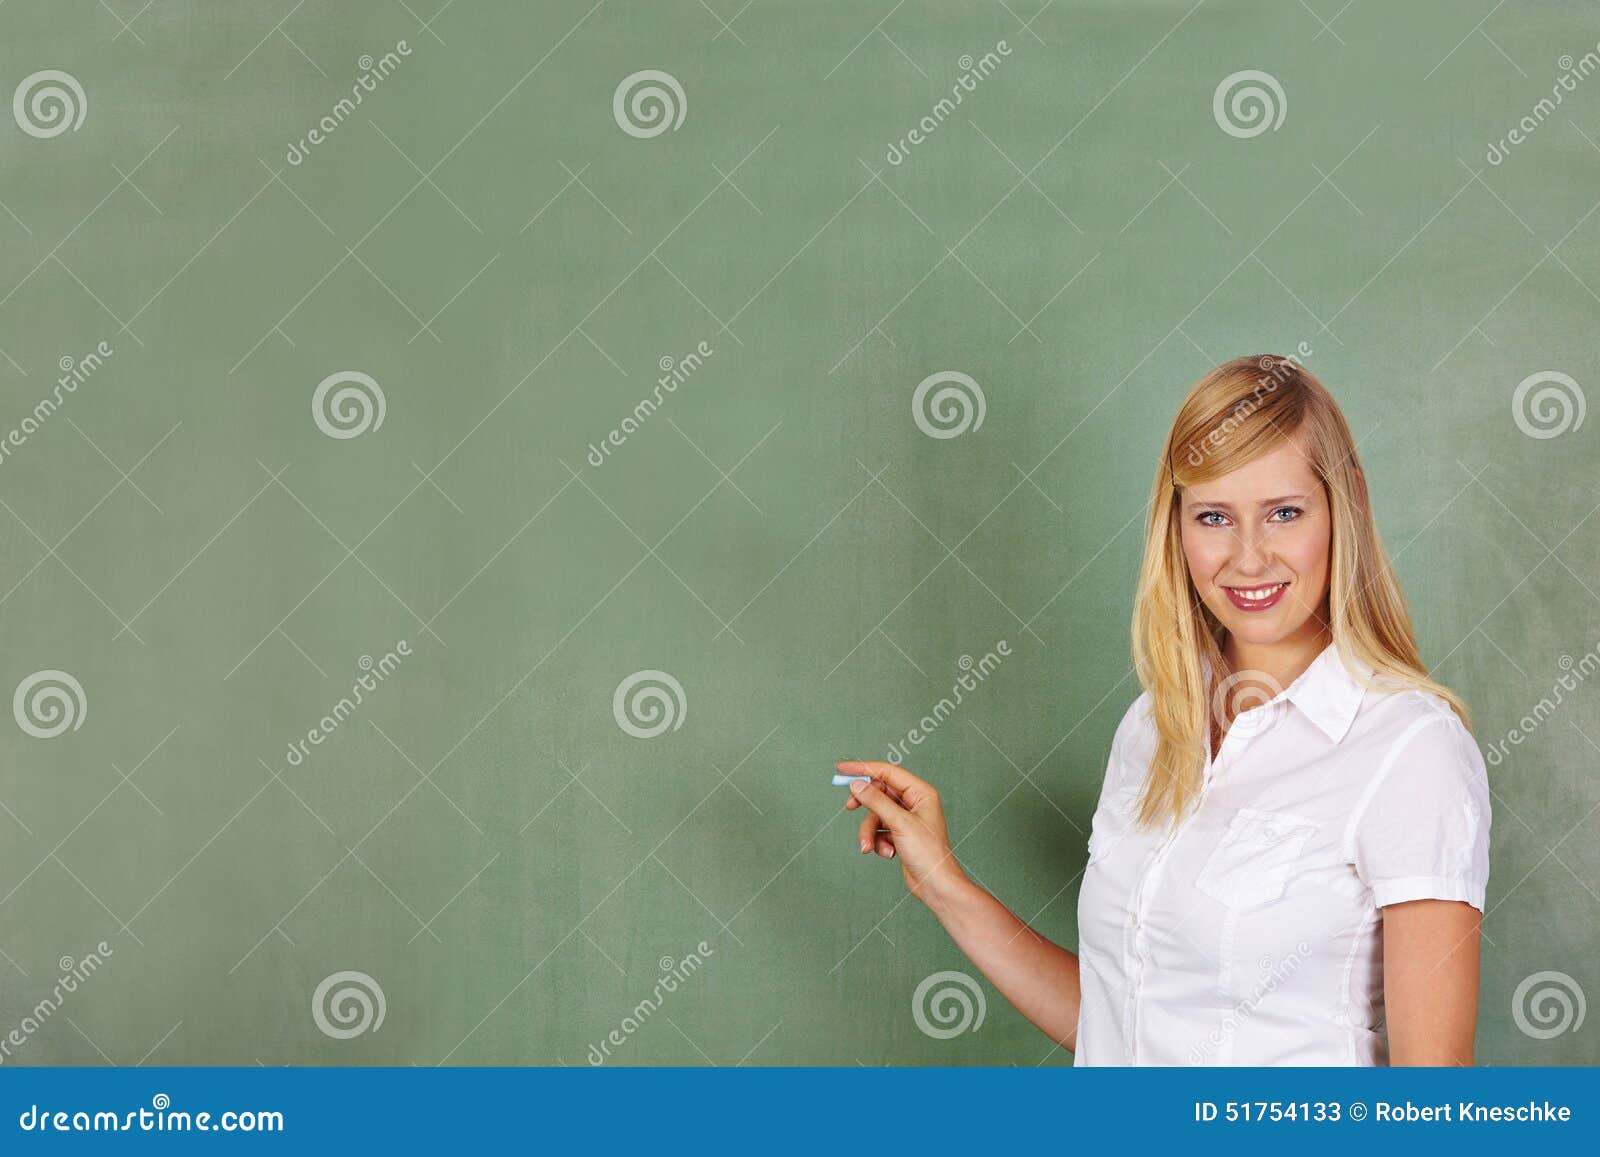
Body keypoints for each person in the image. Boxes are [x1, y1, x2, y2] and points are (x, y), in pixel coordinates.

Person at [839, 354, 1490, 1065]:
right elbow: (1122, 1024)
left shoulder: (1411, 749)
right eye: (1214, 516)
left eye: (1284, 512)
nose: (1249, 557)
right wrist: (943, 884)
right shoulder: (1151, 727)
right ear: (1175, 525)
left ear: (1347, 504)